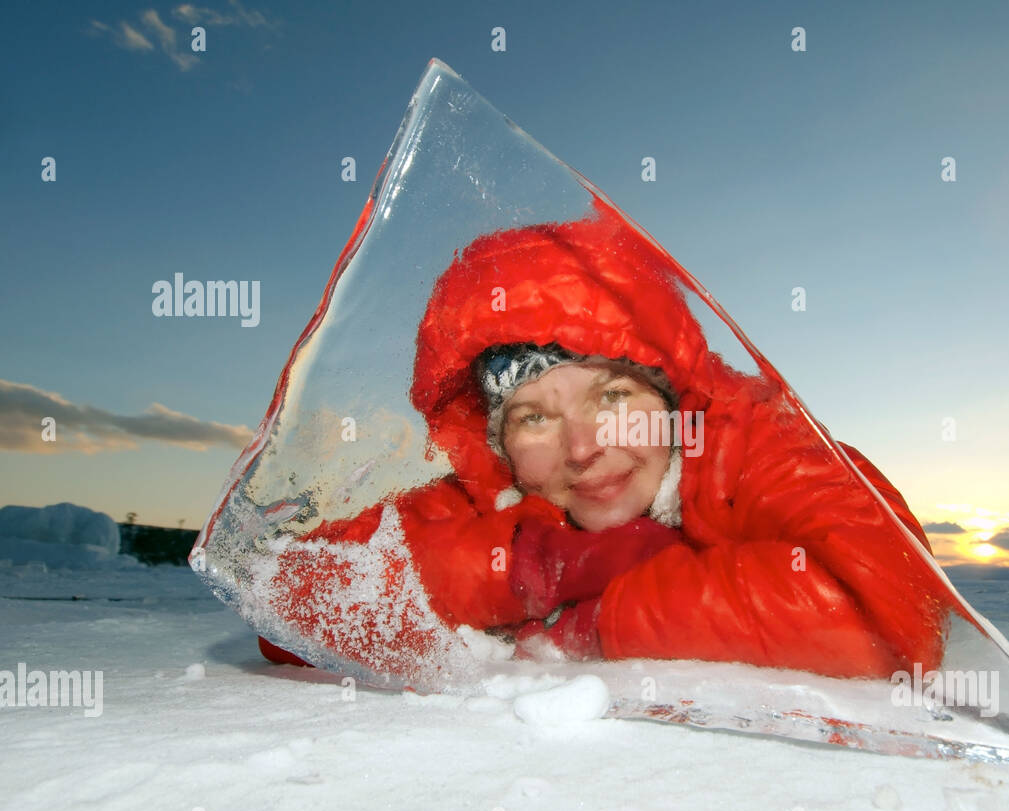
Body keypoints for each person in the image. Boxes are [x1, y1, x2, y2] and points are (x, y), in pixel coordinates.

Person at [256, 196, 958, 681]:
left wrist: (611, 616)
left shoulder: (751, 441)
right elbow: (281, 607)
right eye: (533, 417)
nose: (584, 448)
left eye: (613, 397)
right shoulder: (493, 499)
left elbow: (894, 609)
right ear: (497, 440)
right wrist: (530, 569)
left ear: (670, 393)